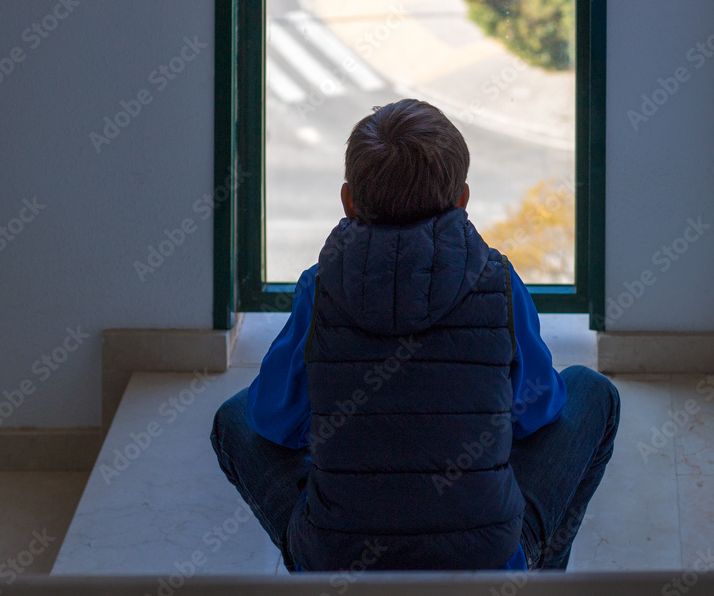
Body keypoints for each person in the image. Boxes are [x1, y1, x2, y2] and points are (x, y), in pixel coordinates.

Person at [210, 99, 619, 572]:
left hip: (340, 562)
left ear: (348, 200)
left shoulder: (317, 289)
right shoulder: (499, 283)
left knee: (235, 417)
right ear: (463, 198)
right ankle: (531, 584)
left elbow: (273, 419)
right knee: (593, 393)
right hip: (483, 561)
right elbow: (538, 412)